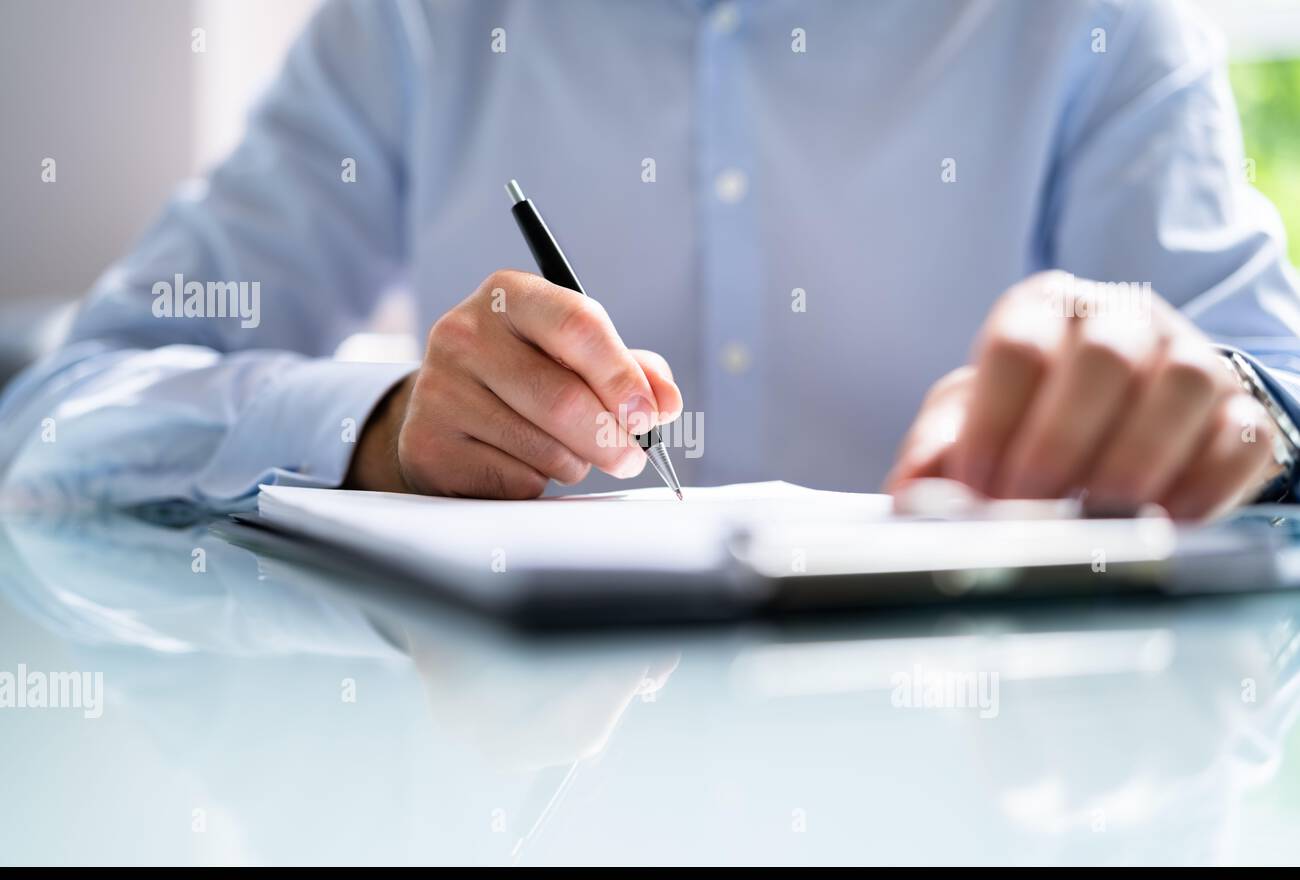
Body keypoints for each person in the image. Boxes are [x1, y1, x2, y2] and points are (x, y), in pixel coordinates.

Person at [2, 0, 1299, 520]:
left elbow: (1277, 388)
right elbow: (64, 414)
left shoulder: (1095, 23)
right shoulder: (418, 26)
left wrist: (1220, 408)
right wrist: (378, 427)